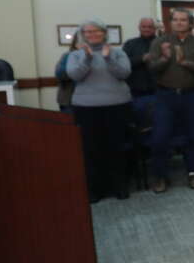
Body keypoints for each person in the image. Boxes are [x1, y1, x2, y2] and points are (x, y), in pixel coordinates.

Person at [67, 19, 133, 203]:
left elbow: (124, 73)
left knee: (116, 148)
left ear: (104, 33)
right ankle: (95, 190)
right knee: (91, 150)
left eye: (96, 31)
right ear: (83, 35)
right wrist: (87, 58)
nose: (92, 35)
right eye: (87, 32)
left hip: (117, 106)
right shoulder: (75, 55)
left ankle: (119, 187)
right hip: (86, 108)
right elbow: (75, 75)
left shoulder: (118, 53)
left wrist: (107, 57)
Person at [147, 8, 194, 192]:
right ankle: (160, 176)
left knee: (193, 135)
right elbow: (152, 68)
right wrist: (166, 58)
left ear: (190, 23)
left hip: (192, 95)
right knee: (160, 137)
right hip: (166, 96)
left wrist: (185, 63)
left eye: (183, 20)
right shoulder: (159, 42)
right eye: (176, 20)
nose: (179, 23)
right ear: (171, 22)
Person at [122, 16, 158, 97]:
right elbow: (123, 64)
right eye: (144, 27)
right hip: (135, 91)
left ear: (154, 28)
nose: (147, 29)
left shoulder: (161, 43)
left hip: (159, 90)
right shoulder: (130, 44)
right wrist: (142, 58)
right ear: (139, 28)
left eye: (150, 27)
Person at [54, 32, 82, 112]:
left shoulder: (99, 56)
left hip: (94, 102)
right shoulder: (68, 55)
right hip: (70, 102)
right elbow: (60, 74)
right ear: (76, 43)